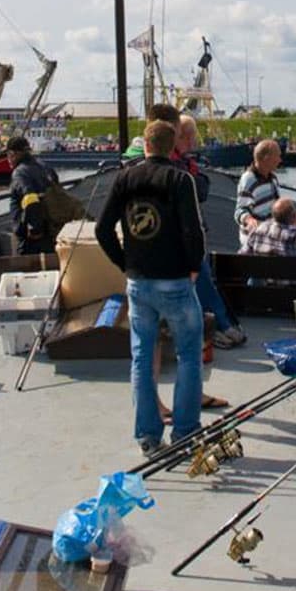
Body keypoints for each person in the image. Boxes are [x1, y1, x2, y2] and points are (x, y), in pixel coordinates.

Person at [96, 119, 206, 454]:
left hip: (138, 283)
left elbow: (103, 229)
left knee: (141, 357)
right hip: (175, 280)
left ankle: (147, 435)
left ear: (145, 145)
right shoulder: (180, 180)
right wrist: (193, 267)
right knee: (189, 355)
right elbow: (193, 231)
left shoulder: (125, 178)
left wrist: (124, 262)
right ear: (171, 147)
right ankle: (185, 431)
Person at [176, 114, 244, 349]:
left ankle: (218, 323)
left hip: (189, 234)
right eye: (193, 136)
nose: (196, 141)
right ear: (183, 137)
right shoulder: (181, 168)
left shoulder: (185, 164)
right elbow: (199, 191)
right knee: (202, 278)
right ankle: (221, 325)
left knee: (202, 278)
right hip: (185, 237)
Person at [6, 136, 61, 256]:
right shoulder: (45, 166)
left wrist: (35, 229)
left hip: (32, 238)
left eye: (8, 155)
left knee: (29, 269)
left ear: (13, 153)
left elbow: (30, 198)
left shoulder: (20, 173)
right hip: (51, 228)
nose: (8, 160)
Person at [236, 138, 284, 233]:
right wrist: (249, 220)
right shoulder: (249, 179)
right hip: (255, 238)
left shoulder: (272, 178)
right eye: (277, 156)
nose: (280, 160)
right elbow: (240, 211)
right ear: (266, 158)